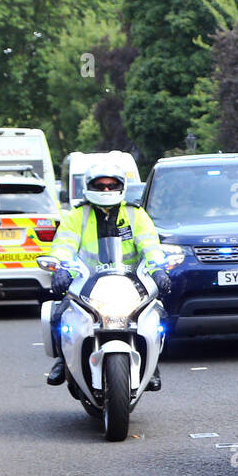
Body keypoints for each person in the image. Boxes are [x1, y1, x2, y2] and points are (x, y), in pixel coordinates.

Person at [44, 162, 173, 387]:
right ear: (89, 187)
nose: (106, 190)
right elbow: (64, 244)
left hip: (131, 282)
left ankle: (151, 364)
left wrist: (158, 269)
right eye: (100, 186)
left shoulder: (135, 214)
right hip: (87, 281)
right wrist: (62, 268)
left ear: (121, 187)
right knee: (60, 314)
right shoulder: (77, 215)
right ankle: (62, 361)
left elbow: (150, 246)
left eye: (111, 185)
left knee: (157, 317)